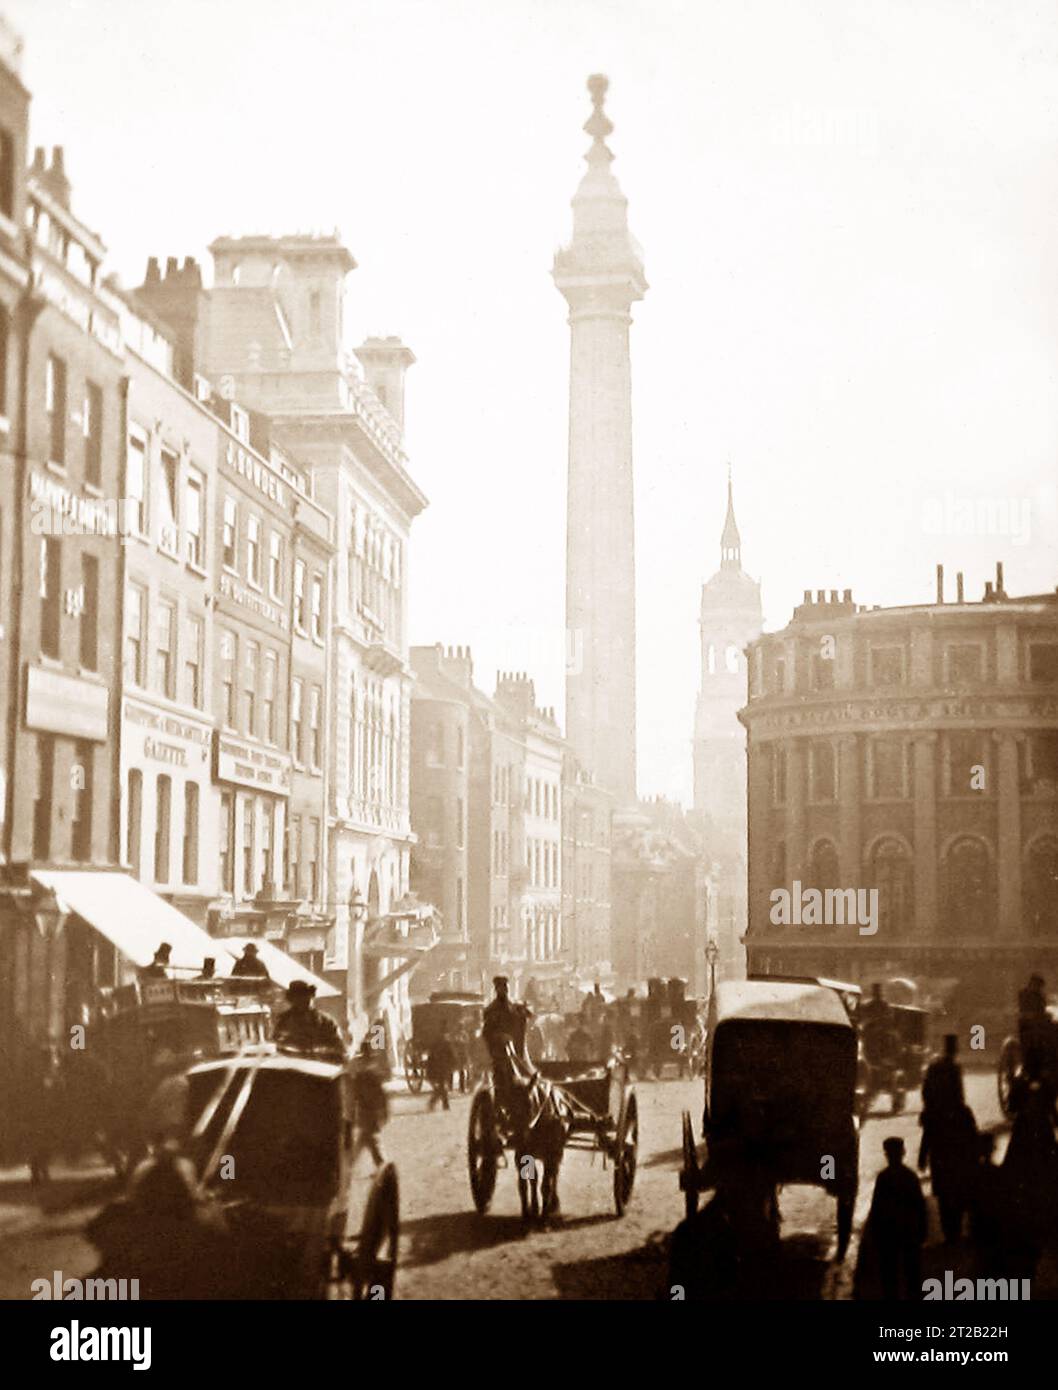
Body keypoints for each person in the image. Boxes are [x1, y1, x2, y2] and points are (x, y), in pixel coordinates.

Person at [919, 1035, 975, 1242]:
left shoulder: (934, 1068)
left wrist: (923, 1156)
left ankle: (948, 1230)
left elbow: (928, 1132)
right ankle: (956, 1229)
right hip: (955, 1144)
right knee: (958, 1185)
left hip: (939, 1142)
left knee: (942, 1187)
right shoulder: (954, 1069)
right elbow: (960, 1096)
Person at [868, 1136, 928, 1300]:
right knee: (912, 1274)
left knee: (889, 1275)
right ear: (903, 1153)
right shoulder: (910, 1176)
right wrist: (923, 1229)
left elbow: (876, 1208)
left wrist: (874, 1232)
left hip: (889, 1232)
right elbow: (920, 1206)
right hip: (909, 1231)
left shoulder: (883, 1178)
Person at [273, 980, 344, 1054]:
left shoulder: (325, 1021)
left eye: (306, 996)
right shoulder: (284, 1021)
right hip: (293, 1061)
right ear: (292, 999)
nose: (304, 1000)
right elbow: (278, 1045)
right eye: (299, 997)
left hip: (320, 1061)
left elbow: (338, 1047)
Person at [351, 1041, 389, 1167]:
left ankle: (350, 1164)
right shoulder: (371, 1074)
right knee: (368, 1138)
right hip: (370, 1110)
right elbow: (380, 1095)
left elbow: (355, 1093)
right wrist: (383, 1110)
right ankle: (380, 1164)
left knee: (366, 1138)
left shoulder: (360, 1074)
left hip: (364, 1110)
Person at [426, 1024, 457, 1112]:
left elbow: (430, 1057)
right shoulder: (447, 1043)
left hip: (438, 1068)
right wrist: (453, 1064)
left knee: (442, 1087)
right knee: (442, 1087)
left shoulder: (435, 1043)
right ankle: (442, 1104)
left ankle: (439, 1103)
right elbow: (452, 1055)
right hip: (443, 1068)